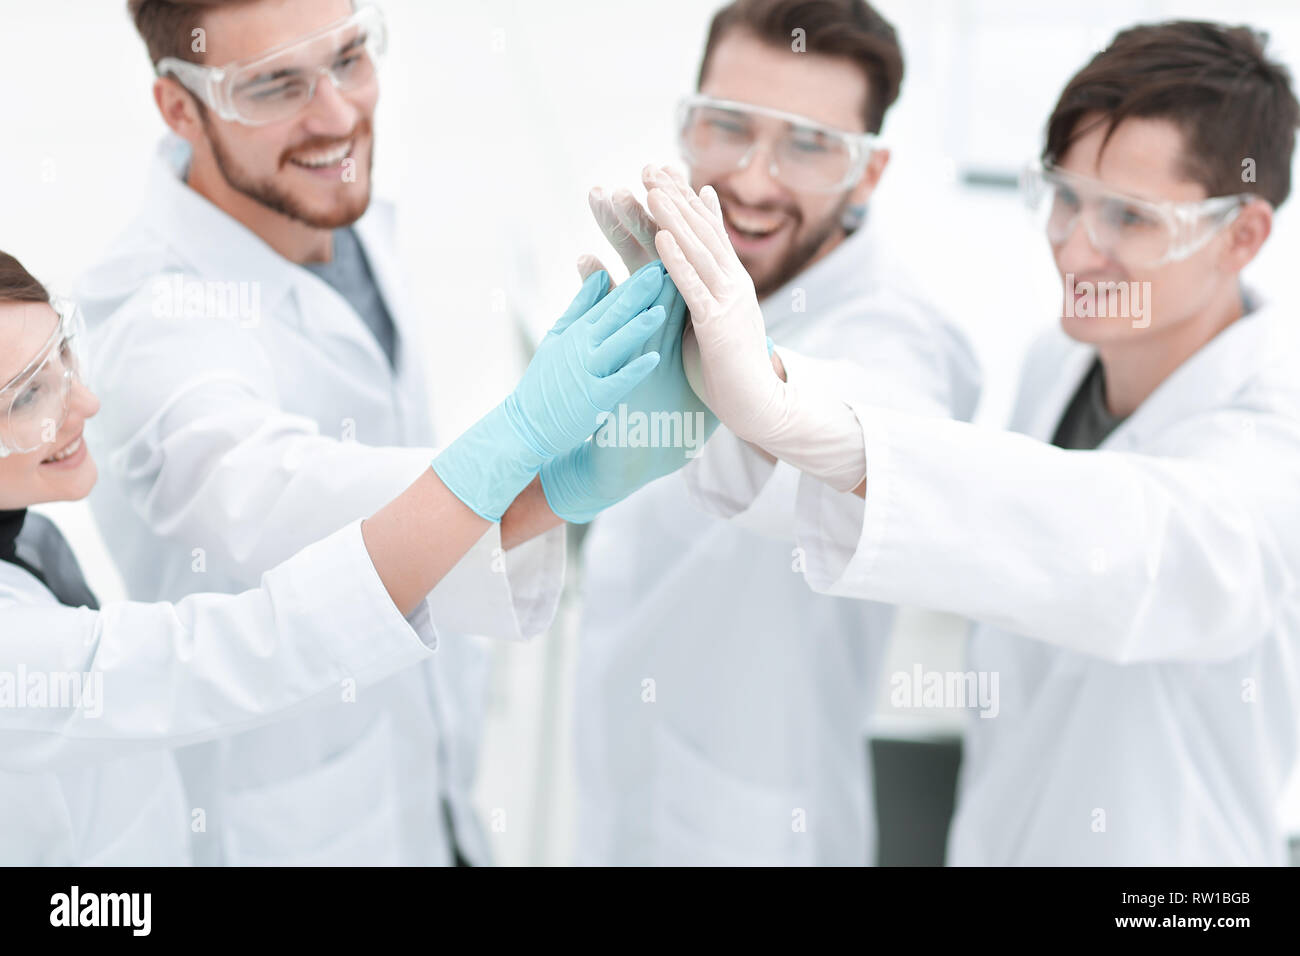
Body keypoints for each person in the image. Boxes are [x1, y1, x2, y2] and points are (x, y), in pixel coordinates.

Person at [649, 20, 1300, 865]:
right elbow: (1008, 542)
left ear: (1243, 235)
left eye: (1130, 219)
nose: (1076, 248)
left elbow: (1141, 548)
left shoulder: (1275, 428)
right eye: (1065, 197)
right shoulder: (1058, 360)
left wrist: (844, 441)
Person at [76, 0, 697, 865]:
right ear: (180, 107)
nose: (336, 115)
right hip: (288, 823)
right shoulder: (153, 325)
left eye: (349, 57)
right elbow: (276, 503)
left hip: (426, 778)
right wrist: (544, 479)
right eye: (274, 85)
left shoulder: (333, 203)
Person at [0, 248, 674, 864]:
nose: (84, 401)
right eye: (29, 394)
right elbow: (256, 643)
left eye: (64, 353)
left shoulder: (20, 533)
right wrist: (519, 446)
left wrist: (547, 489)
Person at [568, 0, 980, 865]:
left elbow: (864, 461)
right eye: (727, 127)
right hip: (621, 798)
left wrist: (743, 386)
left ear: (868, 174)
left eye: (808, 144)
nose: (754, 181)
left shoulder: (898, 334)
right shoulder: (669, 282)